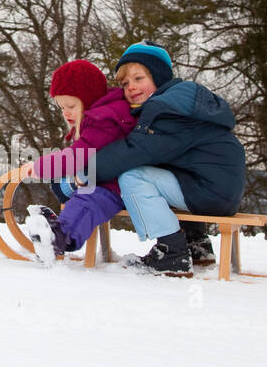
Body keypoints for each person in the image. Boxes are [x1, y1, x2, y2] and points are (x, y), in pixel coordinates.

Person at [82, 42, 246, 277]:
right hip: (221, 188)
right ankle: (196, 243)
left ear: (158, 77)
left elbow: (134, 151)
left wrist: (88, 170)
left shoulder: (165, 109)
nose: (131, 88)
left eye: (139, 78)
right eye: (125, 83)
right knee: (162, 171)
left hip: (211, 190)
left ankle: (172, 254)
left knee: (134, 177)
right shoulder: (183, 102)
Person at [19, 60, 136, 265]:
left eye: (71, 106)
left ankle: (61, 236)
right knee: (77, 191)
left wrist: (40, 167)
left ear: (88, 99)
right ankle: (54, 226)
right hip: (101, 179)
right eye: (61, 106)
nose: (66, 112)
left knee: (88, 199)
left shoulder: (104, 121)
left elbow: (76, 157)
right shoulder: (95, 118)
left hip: (119, 186)